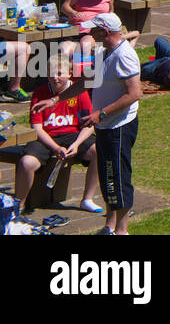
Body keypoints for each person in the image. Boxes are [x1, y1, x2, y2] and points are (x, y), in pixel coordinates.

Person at [33, 13, 142, 235]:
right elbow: (85, 82)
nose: (89, 33)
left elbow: (134, 94)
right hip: (105, 125)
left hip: (119, 126)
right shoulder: (103, 53)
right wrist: (54, 100)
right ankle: (109, 226)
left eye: (94, 30)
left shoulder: (125, 56)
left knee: (118, 178)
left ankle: (122, 231)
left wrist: (100, 114)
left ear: (106, 32)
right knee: (108, 177)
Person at [15, 56, 102, 213]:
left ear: (69, 73)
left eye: (59, 73)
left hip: (72, 135)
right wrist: (55, 148)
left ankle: (87, 199)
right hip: (46, 138)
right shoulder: (39, 93)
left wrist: (76, 145)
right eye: (51, 73)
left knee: (98, 150)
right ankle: (19, 205)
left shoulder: (78, 92)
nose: (55, 78)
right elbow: (36, 128)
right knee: (26, 163)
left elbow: (90, 125)